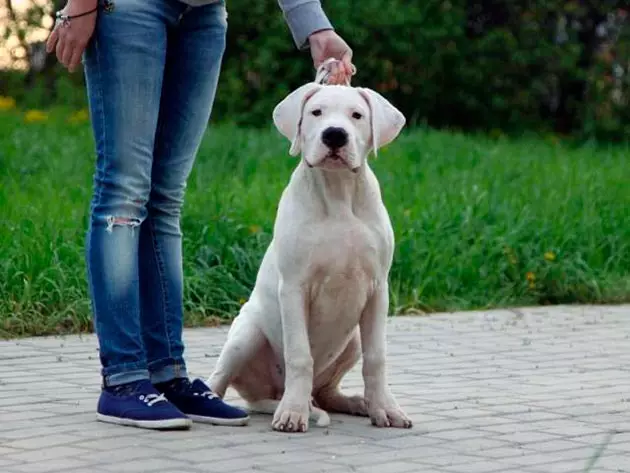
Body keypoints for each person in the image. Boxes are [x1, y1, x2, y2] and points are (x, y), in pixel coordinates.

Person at [46, 0, 354, 430]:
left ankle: (166, 375)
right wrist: (80, 6)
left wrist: (315, 28)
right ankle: (123, 379)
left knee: (166, 199)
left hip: (204, 15)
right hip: (131, 9)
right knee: (124, 193)